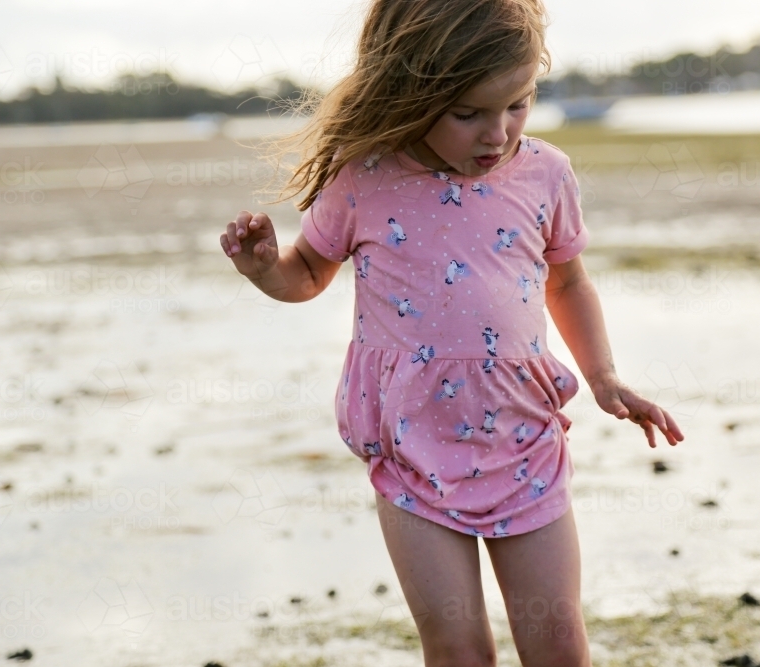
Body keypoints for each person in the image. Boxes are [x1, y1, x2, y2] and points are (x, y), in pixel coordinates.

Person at [220, 1, 684, 664]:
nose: (498, 133)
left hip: (523, 446)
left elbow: (568, 282)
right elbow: (306, 275)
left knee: (557, 642)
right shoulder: (364, 179)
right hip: (412, 454)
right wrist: (265, 268)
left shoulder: (544, 173)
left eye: (518, 105)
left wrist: (604, 375)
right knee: (459, 648)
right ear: (411, 93)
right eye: (469, 113)